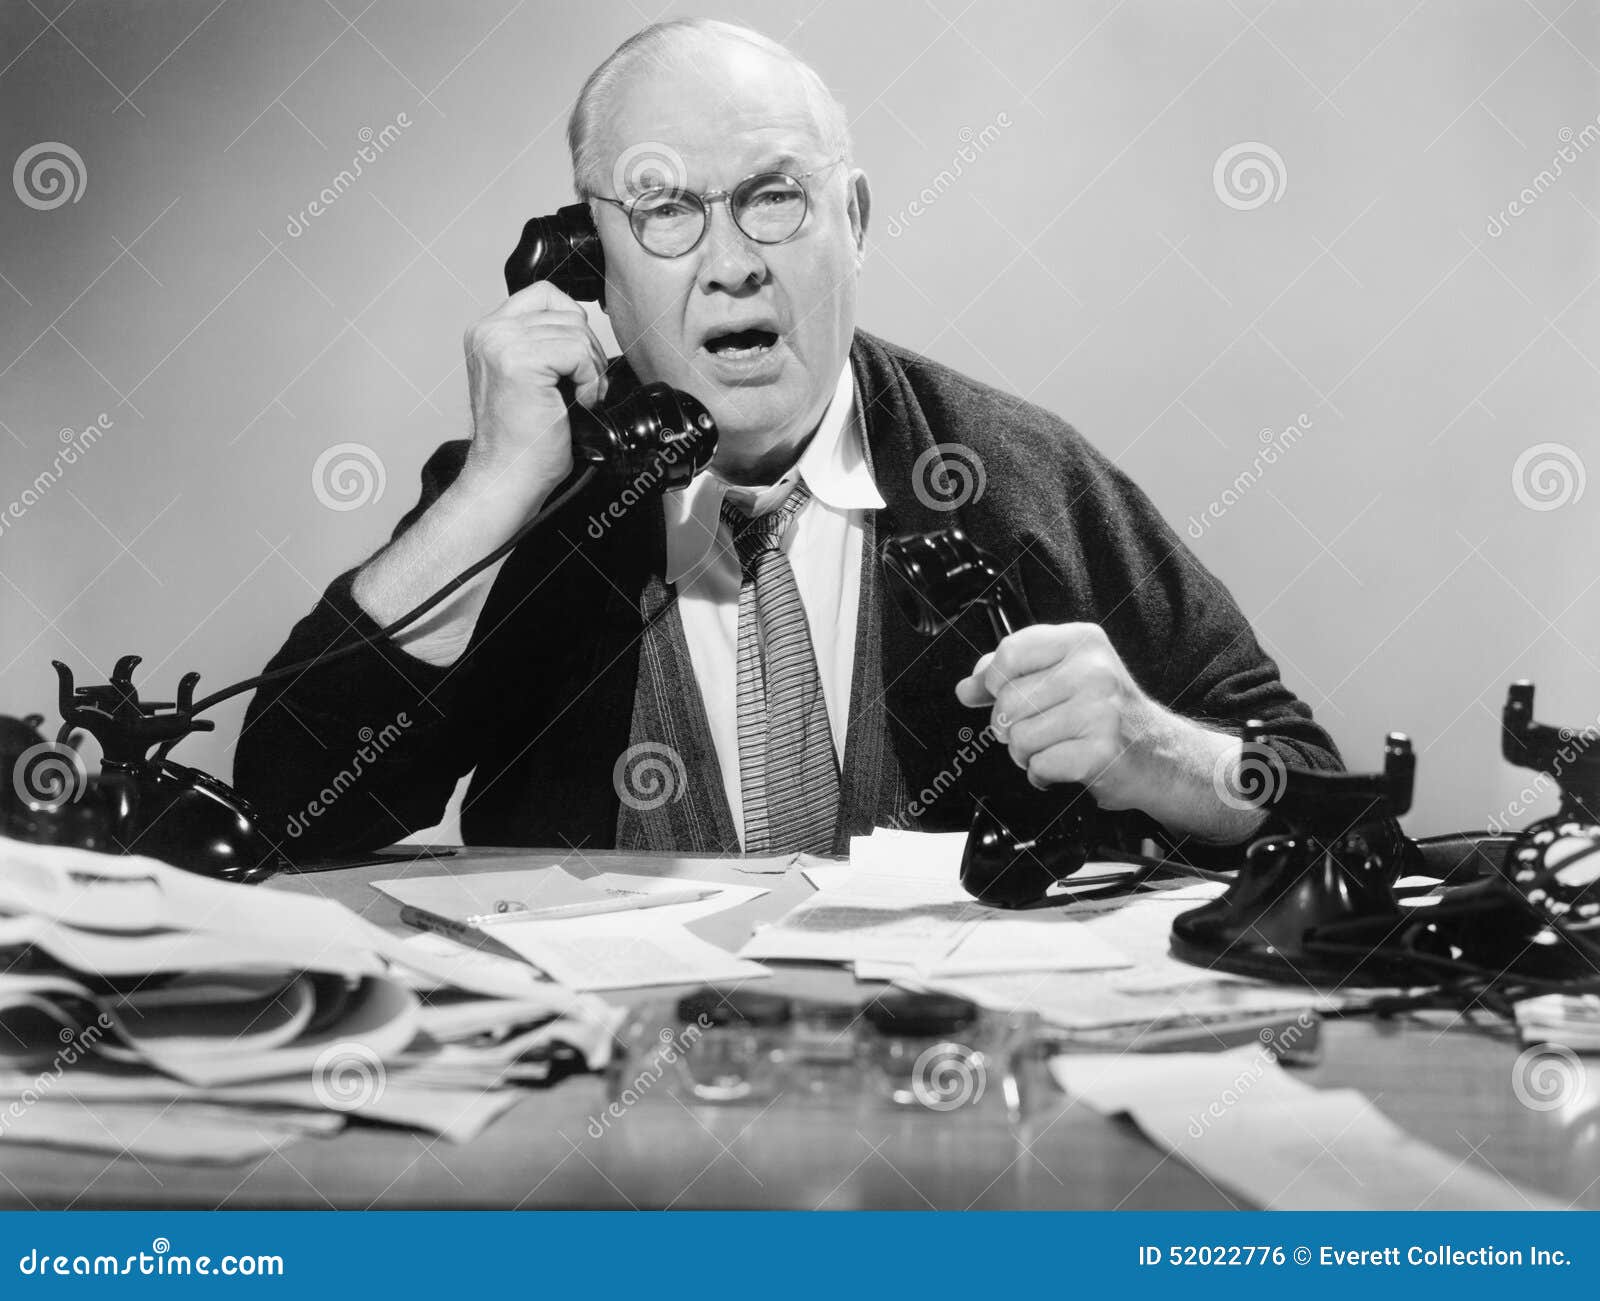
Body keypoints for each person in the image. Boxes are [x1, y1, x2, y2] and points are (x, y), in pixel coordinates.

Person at [234, 18, 1344, 866]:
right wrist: (493, 490)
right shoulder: (525, 488)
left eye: (773, 197)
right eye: (663, 210)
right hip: (605, 1130)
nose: (731, 262)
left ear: (851, 222)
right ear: (586, 256)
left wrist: (1153, 750)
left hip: (933, 1120)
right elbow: (289, 806)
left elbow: (1316, 798)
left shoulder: (1016, 475)